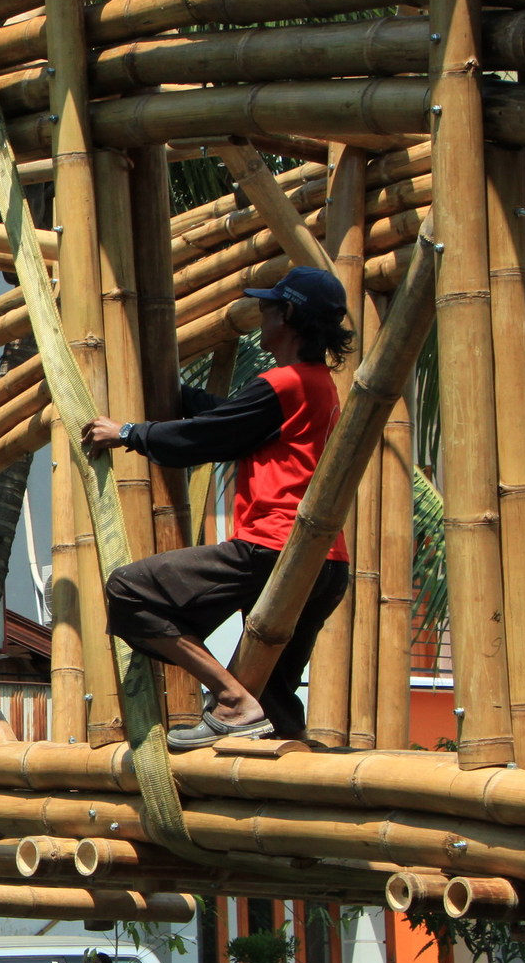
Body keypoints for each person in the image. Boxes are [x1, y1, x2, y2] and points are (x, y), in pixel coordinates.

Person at [81, 265, 354, 749]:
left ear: (287, 315)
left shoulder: (284, 383)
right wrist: (173, 393)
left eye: (267, 309)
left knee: (130, 592)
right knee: (275, 699)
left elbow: (208, 437)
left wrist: (127, 434)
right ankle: (289, 760)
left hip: (272, 549)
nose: (261, 317)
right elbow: (231, 420)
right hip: (325, 564)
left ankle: (229, 698)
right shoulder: (317, 384)